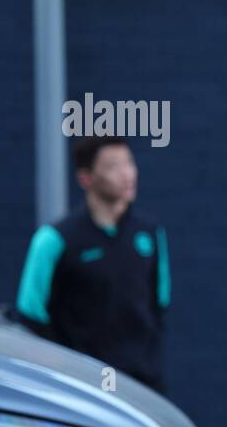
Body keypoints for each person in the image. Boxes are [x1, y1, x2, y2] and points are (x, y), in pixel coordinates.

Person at [16, 136, 169, 393]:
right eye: (112, 166)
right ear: (85, 178)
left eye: (129, 163)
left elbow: (160, 306)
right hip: (82, 388)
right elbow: (31, 315)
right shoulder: (53, 240)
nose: (126, 174)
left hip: (142, 387)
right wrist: (64, 369)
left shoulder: (151, 234)